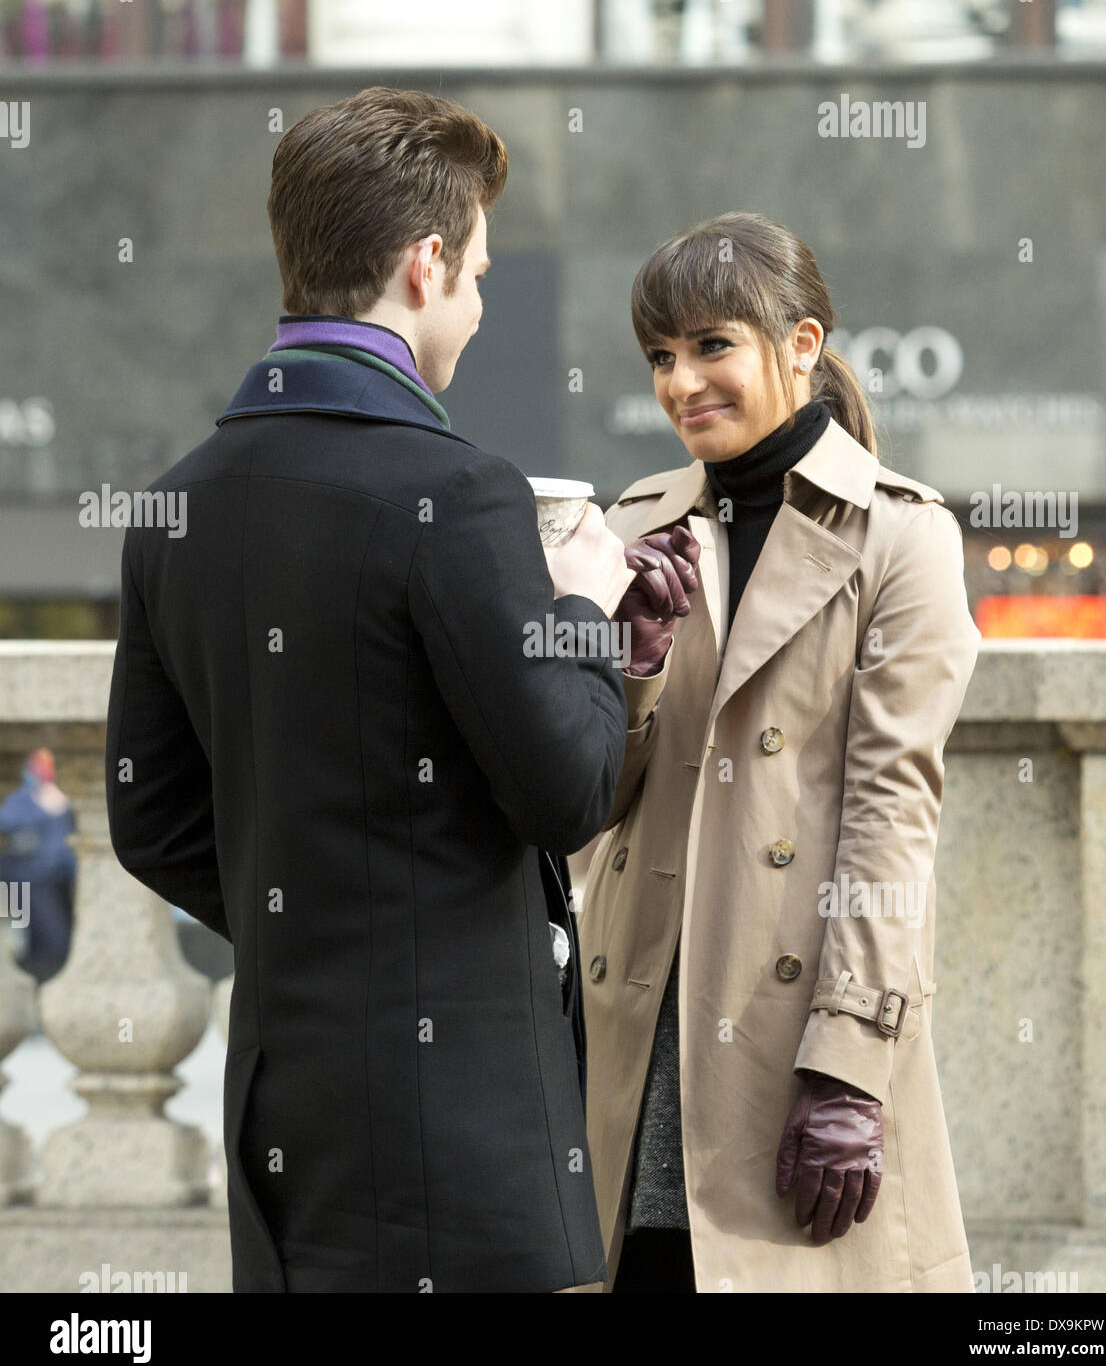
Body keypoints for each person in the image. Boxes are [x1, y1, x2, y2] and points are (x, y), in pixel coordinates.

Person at [105, 86, 634, 1294]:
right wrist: (582, 611)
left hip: (284, 1108)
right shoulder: (460, 491)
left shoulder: (173, 507)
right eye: (481, 274)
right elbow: (568, 788)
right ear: (424, 262)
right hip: (458, 1139)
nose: (482, 307)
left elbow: (152, 821)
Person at [577, 212, 981, 1293]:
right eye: (659, 356)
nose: (679, 382)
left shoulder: (899, 536)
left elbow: (891, 815)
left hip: (787, 1038)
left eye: (711, 346)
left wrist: (849, 1066)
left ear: (799, 344)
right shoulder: (627, 530)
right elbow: (582, 803)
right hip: (630, 1024)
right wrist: (630, 666)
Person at [0, 747, 76, 984]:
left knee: (56, 941)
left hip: (59, 881)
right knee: (50, 941)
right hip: (28, 882)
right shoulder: (20, 800)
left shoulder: (63, 801)